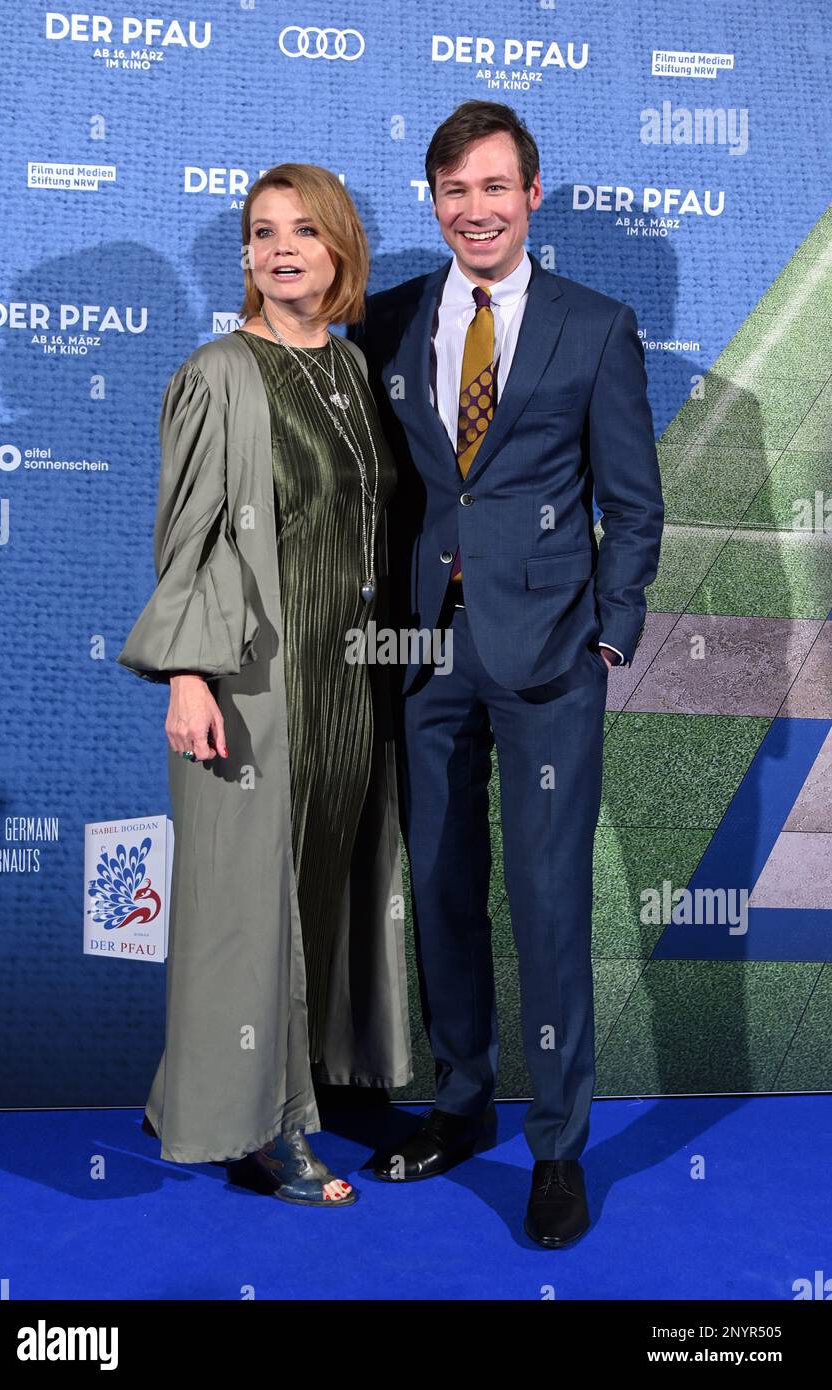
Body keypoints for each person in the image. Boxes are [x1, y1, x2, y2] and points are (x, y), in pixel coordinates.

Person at [353, 101, 664, 1245]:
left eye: (494, 187)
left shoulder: (595, 325)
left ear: (533, 195)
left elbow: (632, 504)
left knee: (543, 906)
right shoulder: (386, 320)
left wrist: (611, 633)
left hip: (549, 661)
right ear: (431, 203)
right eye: (452, 190)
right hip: (425, 649)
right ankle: (462, 1101)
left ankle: (557, 1148)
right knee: (437, 890)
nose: (474, 209)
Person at [117, 163, 412, 1207]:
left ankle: (235, 1088)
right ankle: (263, 1128)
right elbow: (185, 540)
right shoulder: (217, 373)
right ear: (244, 255)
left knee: (317, 897)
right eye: (260, 232)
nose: (282, 248)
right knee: (245, 910)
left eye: (305, 232)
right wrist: (187, 674)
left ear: (339, 251)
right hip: (250, 685)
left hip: (348, 691)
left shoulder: (352, 372)